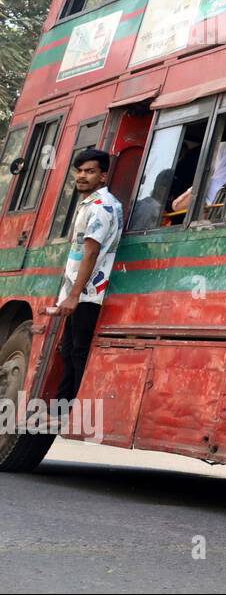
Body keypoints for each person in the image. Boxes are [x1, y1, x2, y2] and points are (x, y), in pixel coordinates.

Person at [45, 149, 123, 415]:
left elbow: (91, 251)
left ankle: (71, 411)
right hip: (82, 290)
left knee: (78, 352)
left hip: (89, 292)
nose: (82, 176)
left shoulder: (102, 207)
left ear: (103, 176)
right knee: (68, 351)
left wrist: (74, 295)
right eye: (79, 171)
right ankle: (60, 408)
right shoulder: (91, 203)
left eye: (89, 172)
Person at [171, 140, 226, 215]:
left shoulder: (212, 183)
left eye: (213, 158)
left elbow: (177, 206)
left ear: (219, 158)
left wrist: (202, 180)